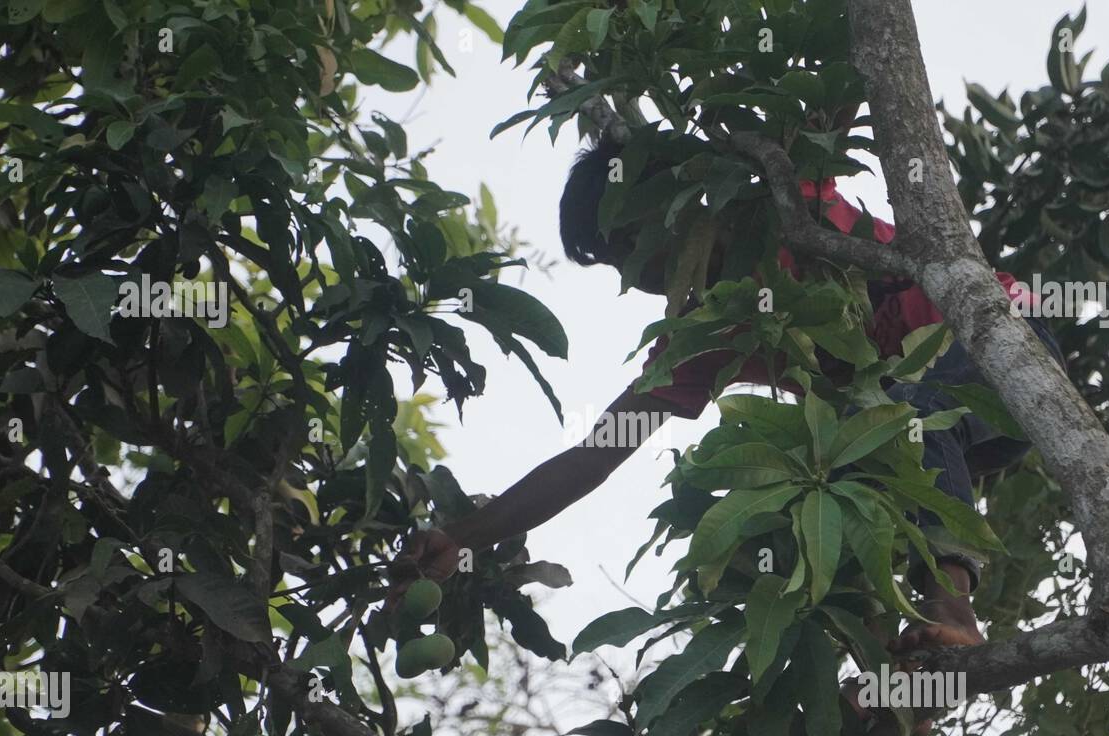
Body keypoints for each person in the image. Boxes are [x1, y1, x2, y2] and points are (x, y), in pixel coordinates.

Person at [391, 135, 1066, 658]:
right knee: (830, 536)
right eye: (614, 258)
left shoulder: (773, 191)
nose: (634, 270)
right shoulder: (703, 336)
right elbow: (597, 455)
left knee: (907, 422)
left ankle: (953, 614)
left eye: (626, 242)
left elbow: (824, 88)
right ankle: (917, 680)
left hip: (999, 338)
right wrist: (463, 535)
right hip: (935, 430)